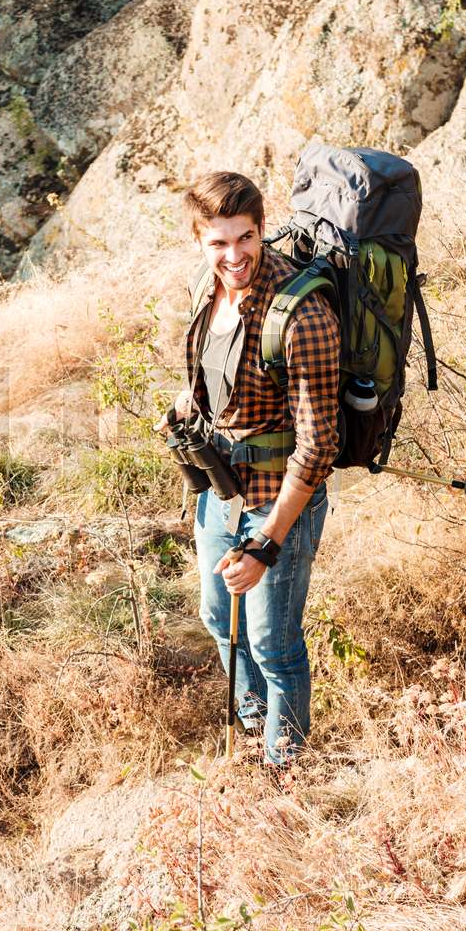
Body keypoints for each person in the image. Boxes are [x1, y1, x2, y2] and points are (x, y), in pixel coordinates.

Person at [157, 170, 340, 766]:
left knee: (273, 644)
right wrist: (188, 405)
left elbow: (317, 446)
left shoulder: (302, 315)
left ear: (262, 230)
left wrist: (267, 543)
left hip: (278, 496)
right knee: (218, 618)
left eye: (245, 238)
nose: (233, 255)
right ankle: (259, 725)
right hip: (220, 484)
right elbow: (211, 367)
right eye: (218, 242)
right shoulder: (205, 287)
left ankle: (287, 769)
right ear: (199, 241)